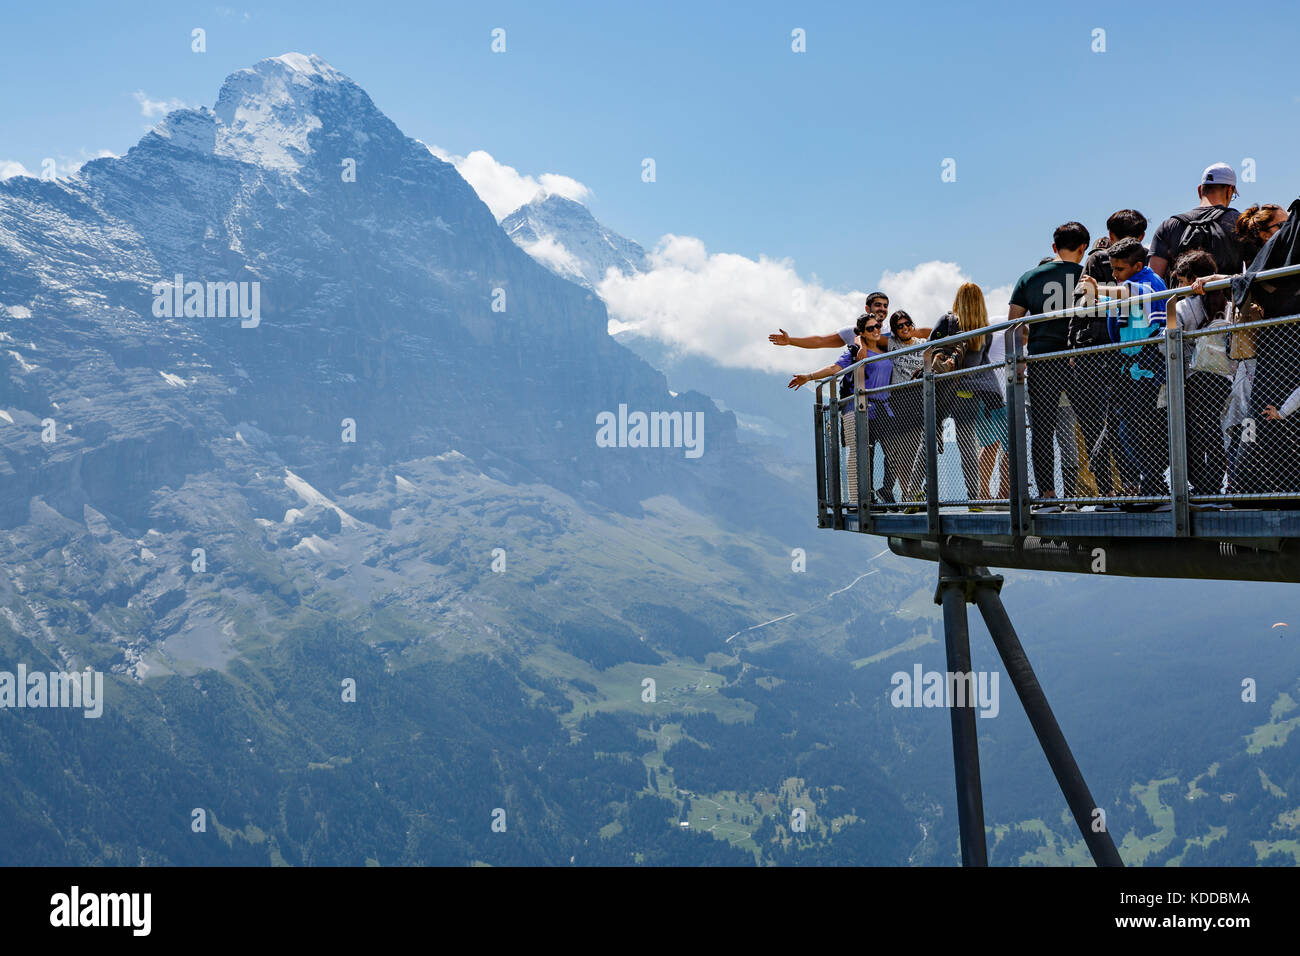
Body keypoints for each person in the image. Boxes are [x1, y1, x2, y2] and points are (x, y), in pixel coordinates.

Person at [1007, 221, 1090, 508]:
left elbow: (1014, 324)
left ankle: (1047, 494)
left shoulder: (1029, 277)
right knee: (1091, 425)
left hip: (1042, 359)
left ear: (1054, 247)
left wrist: (1020, 358)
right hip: (1079, 359)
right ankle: (1103, 491)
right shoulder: (1088, 276)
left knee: (1042, 428)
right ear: (1083, 248)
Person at [1078, 238, 1168, 499]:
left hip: (1150, 371)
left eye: (1119, 270)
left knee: (1141, 432)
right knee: (1128, 431)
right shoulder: (1124, 285)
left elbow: (1133, 293)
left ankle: (1155, 485)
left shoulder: (1150, 282)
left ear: (1138, 265)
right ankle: (1152, 485)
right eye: (1113, 269)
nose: (1115, 275)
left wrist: (1099, 288)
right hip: (1129, 370)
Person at [788, 313, 903, 504]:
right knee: (864, 454)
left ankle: (886, 490)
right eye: (870, 328)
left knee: (896, 450)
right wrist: (809, 376)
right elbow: (835, 368)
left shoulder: (885, 349)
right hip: (861, 410)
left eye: (877, 327)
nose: (876, 331)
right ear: (862, 333)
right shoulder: (854, 352)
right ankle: (864, 497)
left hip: (884, 409)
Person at [934, 284, 1006, 507]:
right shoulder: (983, 330)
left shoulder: (949, 321)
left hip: (954, 390)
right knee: (980, 445)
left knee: (931, 441)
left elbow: (930, 349)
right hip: (981, 393)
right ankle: (982, 497)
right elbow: (979, 361)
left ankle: (916, 492)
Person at [1168, 250, 1232, 498]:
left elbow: (1168, 343)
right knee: (1215, 430)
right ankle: (1215, 483)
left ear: (1194, 279)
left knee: (1193, 432)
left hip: (1194, 377)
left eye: (1182, 281)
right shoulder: (1228, 304)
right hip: (1222, 375)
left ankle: (1199, 484)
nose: (1180, 287)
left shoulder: (1182, 305)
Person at [1148, 163, 1243, 281]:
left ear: (1199, 190)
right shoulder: (1239, 222)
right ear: (1229, 191)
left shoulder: (1168, 226)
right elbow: (1252, 275)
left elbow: (1152, 281)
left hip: (1180, 299)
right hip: (1224, 299)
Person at [768, 291, 926, 352]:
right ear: (867, 308)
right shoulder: (853, 331)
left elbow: (922, 332)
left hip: (889, 393)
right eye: (878, 305)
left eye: (885, 306)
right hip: (862, 392)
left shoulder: (896, 330)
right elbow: (820, 341)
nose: (882, 309)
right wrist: (790, 341)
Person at [1084, 209, 1147, 284]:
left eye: (1120, 269)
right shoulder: (1150, 258)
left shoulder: (1098, 259)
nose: (1114, 275)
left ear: (1111, 235)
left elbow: (1082, 293)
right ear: (1142, 236)